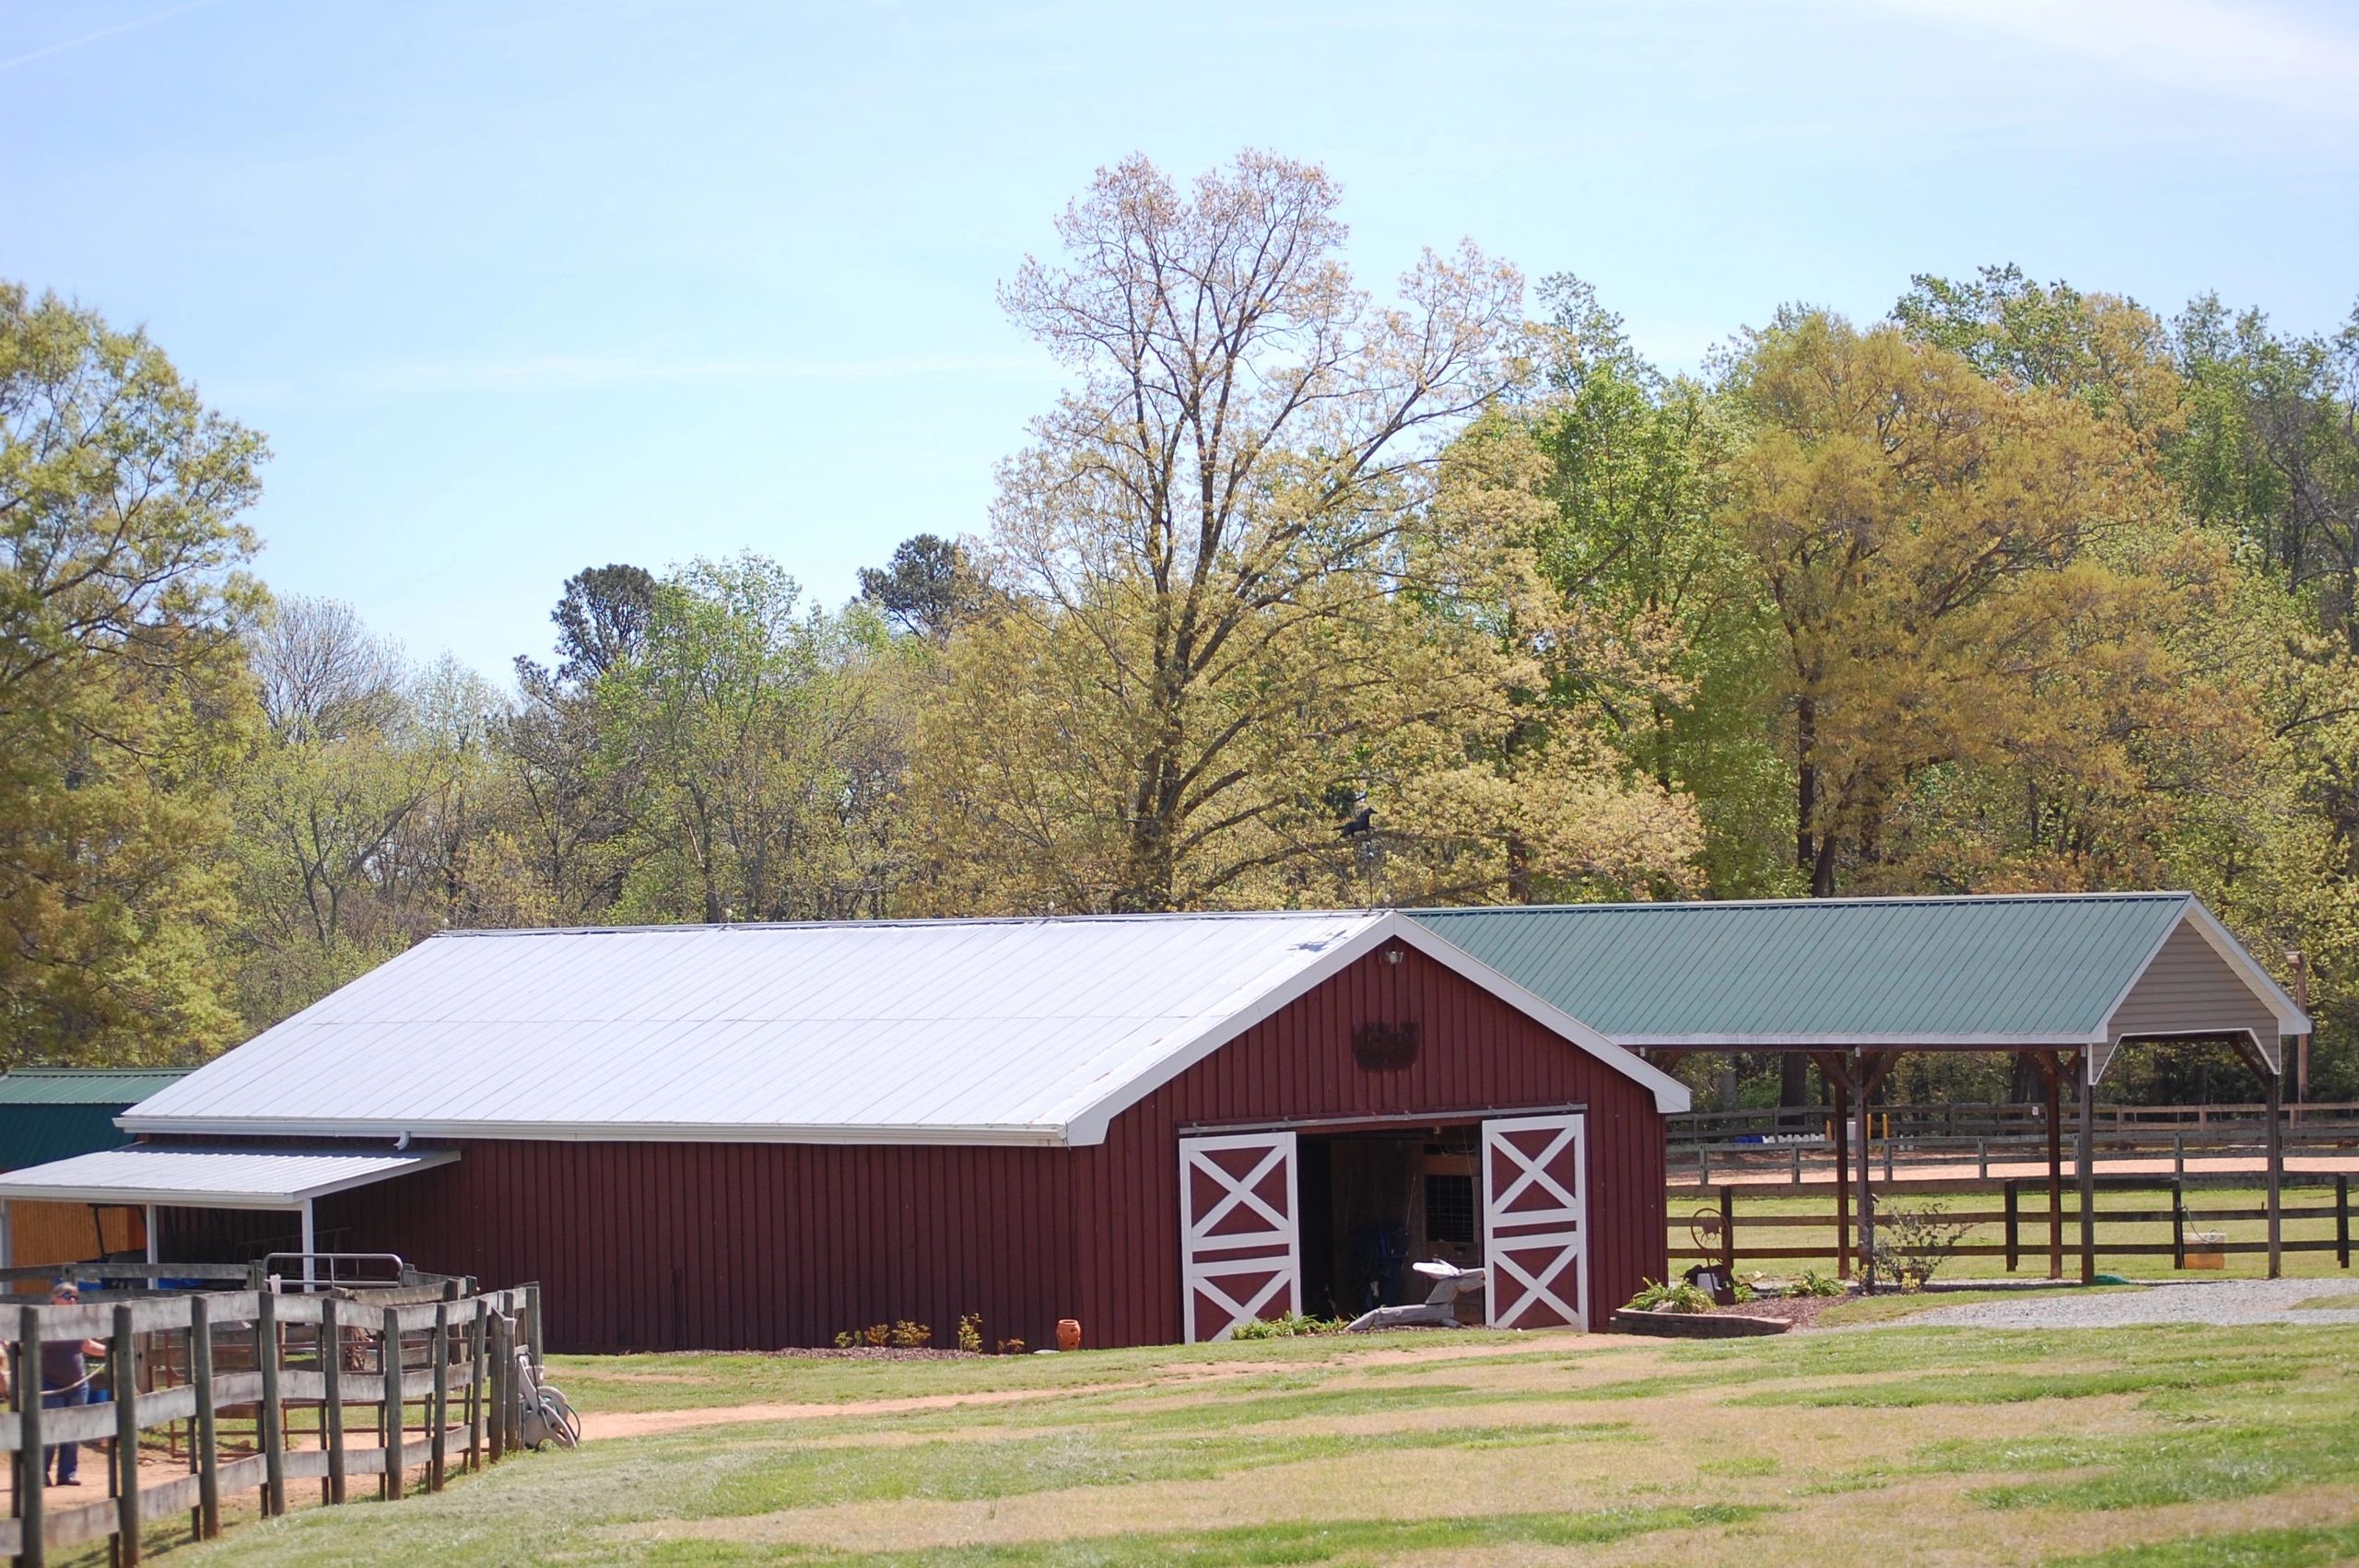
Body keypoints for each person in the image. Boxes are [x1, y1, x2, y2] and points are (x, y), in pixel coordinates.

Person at [41, 1281, 106, 1487]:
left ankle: (67, 1474)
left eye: (76, 1297)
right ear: (54, 1298)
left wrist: (110, 1349)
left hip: (78, 1384)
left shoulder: (77, 1322)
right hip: (51, 1383)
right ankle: (41, 1472)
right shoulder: (42, 1321)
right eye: (68, 1296)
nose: (73, 1301)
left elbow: (87, 1345)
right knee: (50, 1430)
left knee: (73, 1430)